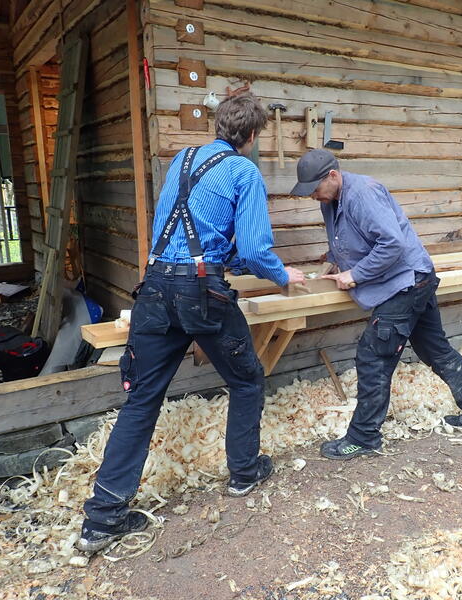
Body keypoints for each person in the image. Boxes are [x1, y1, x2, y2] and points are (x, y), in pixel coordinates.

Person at [77, 93, 305, 552]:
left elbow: (190, 232)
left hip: (155, 287)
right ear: (253, 135)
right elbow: (255, 249)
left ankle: (101, 520)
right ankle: (244, 473)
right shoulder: (243, 170)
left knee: (141, 400)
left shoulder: (182, 160)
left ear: (218, 126)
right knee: (246, 381)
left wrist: (226, 259)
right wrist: (283, 276)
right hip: (202, 294)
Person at [290, 149, 462, 461]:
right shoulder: (330, 200)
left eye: (315, 189)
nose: (313, 196)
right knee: (434, 348)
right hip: (411, 278)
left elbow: (392, 244)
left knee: (373, 356)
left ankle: (363, 438)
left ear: (333, 175)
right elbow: (346, 239)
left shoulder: (363, 194)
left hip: (406, 282)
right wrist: (334, 261)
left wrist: (355, 274)